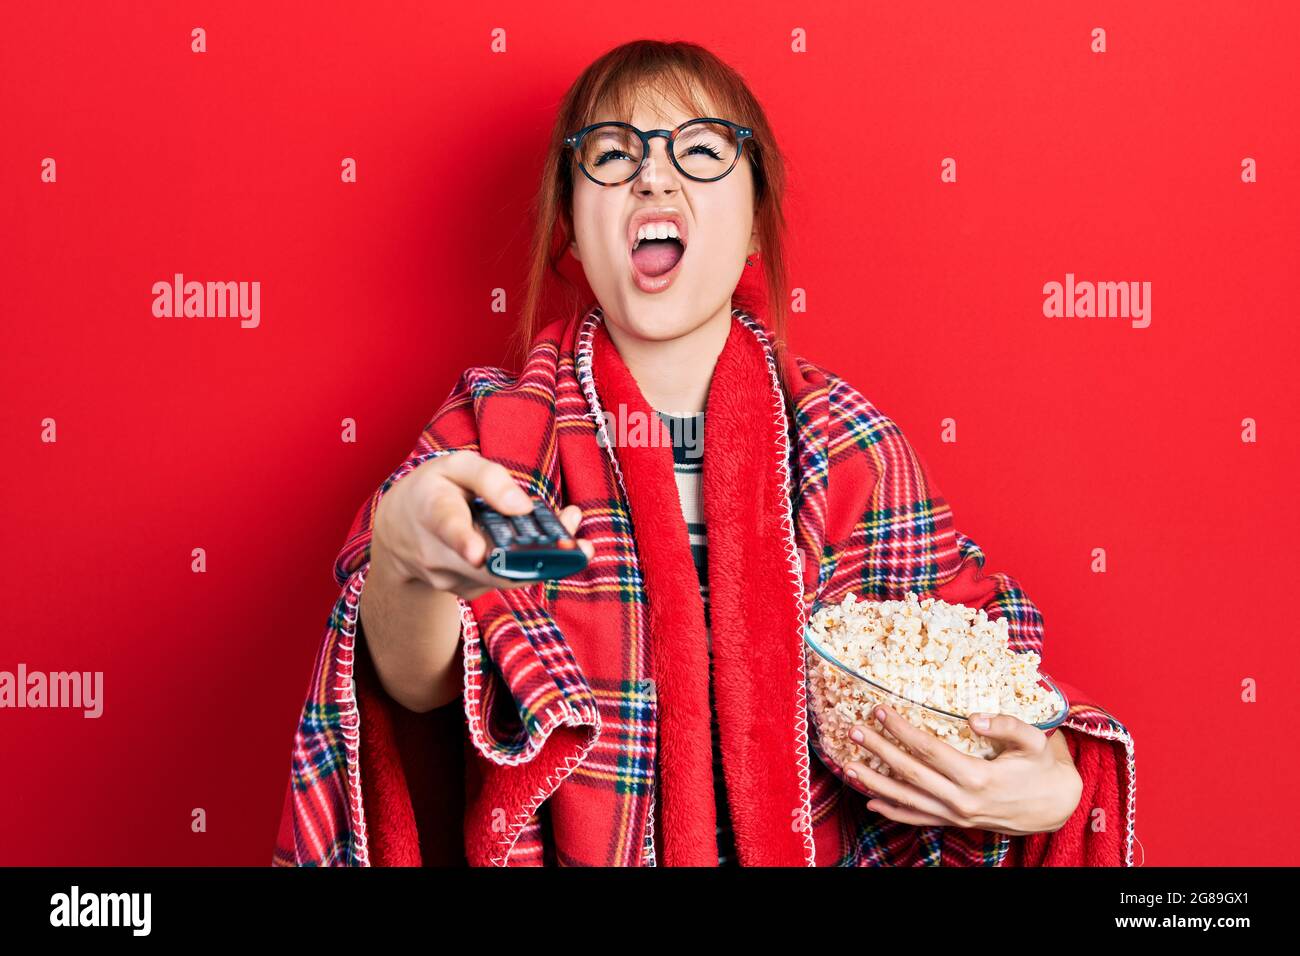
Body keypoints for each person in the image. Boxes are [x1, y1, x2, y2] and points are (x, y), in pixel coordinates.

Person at [273, 39, 1137, 867]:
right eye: (611, 154)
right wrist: (406, 558)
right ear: (571, 227)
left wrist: (1056, 784)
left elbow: (979, 658)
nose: (655, 173)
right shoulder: (498, 436)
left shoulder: (845, 441)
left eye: (701, 150)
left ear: (755, 219)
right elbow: (410, 693)